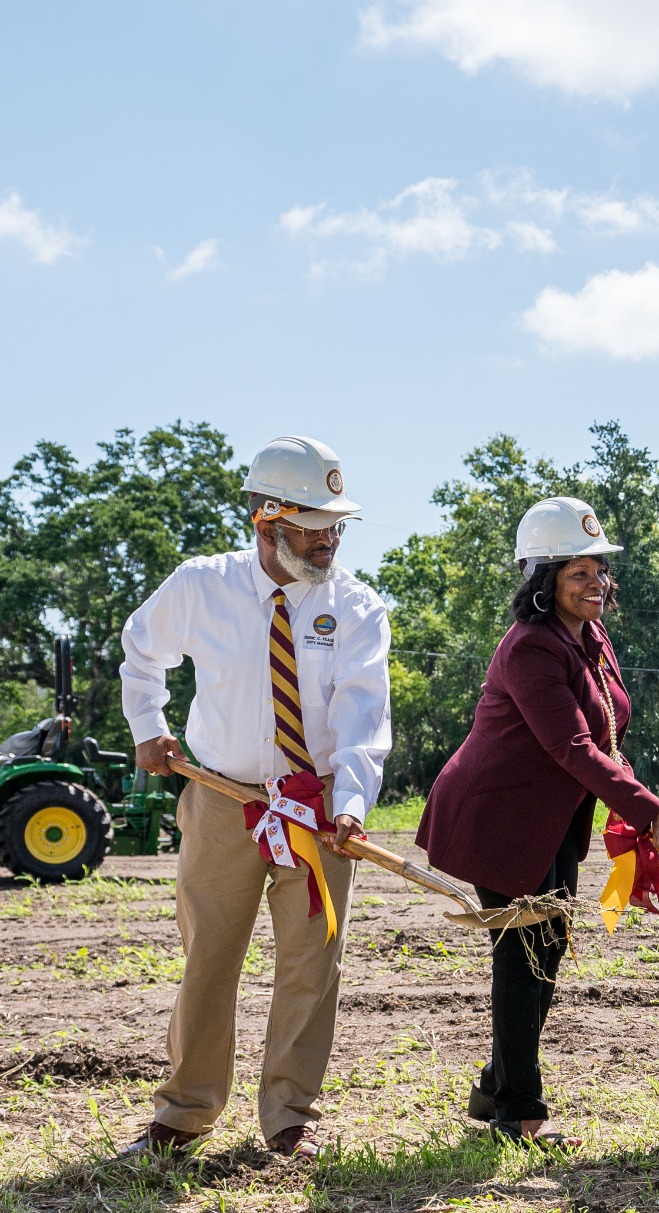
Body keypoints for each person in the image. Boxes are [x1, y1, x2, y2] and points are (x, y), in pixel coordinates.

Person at [118, 435, 390, 1161]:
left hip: (320, 807)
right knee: (209, 957)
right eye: (314, 525)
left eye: (338, 525)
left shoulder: (357, 608)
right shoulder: (200, 586)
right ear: (265, 521)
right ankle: (183, 1114)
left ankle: (289, 1120)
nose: (330, 540)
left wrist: (353, 805)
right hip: (221, 800)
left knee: (311, 965)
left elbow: (366, 717)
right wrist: (150, 728)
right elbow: (141, 649)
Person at [417, 497, 659, 1147]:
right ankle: (519, 1111)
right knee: (524, 960)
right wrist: (650, 811)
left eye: (600, 571)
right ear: (543, 582)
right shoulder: (530, 649)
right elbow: (571, 746)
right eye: (578, 574)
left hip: (554, 821)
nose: (596, 584)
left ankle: (494, 1088)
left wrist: (633, 803)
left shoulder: (591, 635)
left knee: (543, 955)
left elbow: (607, 731)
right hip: (500, 818)